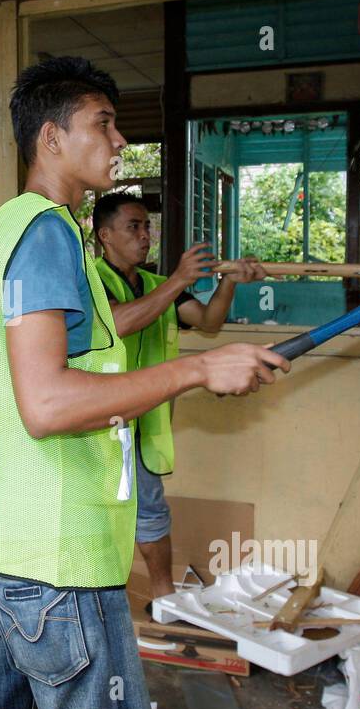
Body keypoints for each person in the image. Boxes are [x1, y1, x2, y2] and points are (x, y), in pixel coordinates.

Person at [0, 56, 289, 709]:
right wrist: (196, 371)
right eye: (104, 124)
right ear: (50, 138)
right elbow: (47, 402)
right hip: (56, 559)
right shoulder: (47, 233)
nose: (120, 141)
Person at [91, 192, 267, 607]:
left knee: (149, 508)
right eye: (133, 227)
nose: (145, 236)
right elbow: (117, 322)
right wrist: (178, 280)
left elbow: (207, 323)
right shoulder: (90, 279)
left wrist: (226, 283)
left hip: (145, 422)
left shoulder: (156, 286)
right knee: (96, 511)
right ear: (105, 235)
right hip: (96, 422)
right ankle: (97, 597)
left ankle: (163, 598)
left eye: (147, 226)